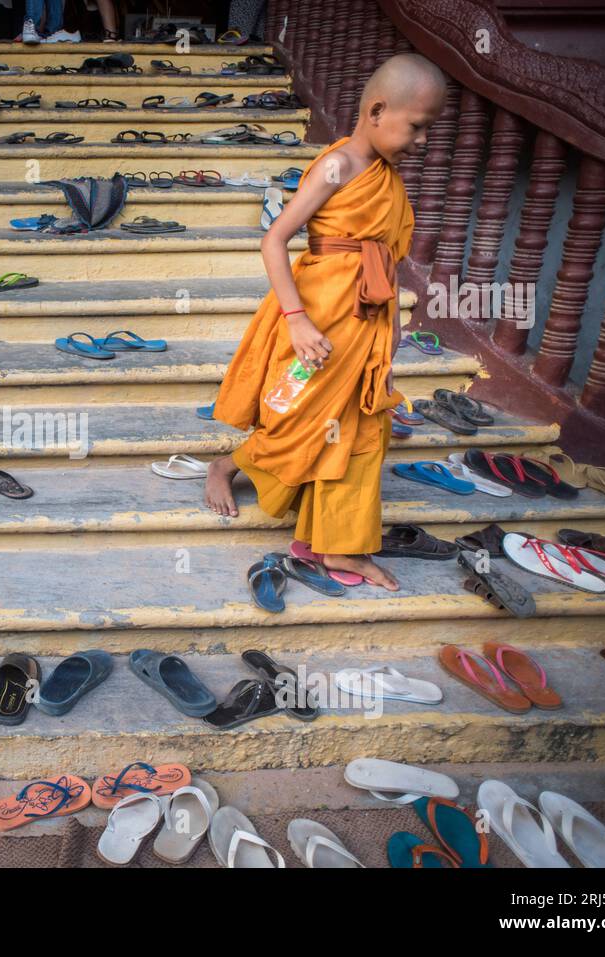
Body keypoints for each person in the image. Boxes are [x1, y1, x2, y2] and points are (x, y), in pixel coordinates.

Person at [202, 53, 448, 591]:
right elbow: (273, 240)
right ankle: (228, 465)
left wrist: (393, 332)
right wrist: (296, 321)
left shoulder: (386, 176)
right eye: (418, 126)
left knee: (362, 430)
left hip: (366, 322)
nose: (423, 141)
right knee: (294, 417)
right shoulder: (337, 167)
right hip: (317, 318)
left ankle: (341, 547)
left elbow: (385, 261)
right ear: (378, 110)